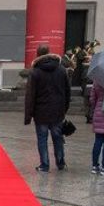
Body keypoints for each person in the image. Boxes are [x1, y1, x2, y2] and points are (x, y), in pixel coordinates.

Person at [24, 44, 70, 172]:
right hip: (57, 111)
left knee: (42, 139)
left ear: (37, 55)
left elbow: (30, 95)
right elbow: (67, 91)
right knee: (58, 138)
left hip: (41, 112)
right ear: (49, 53)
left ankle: (44, 165)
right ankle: (60, 163)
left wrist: (28, 115)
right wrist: (65, 108)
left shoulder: (35, 72)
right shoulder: (61, 69)